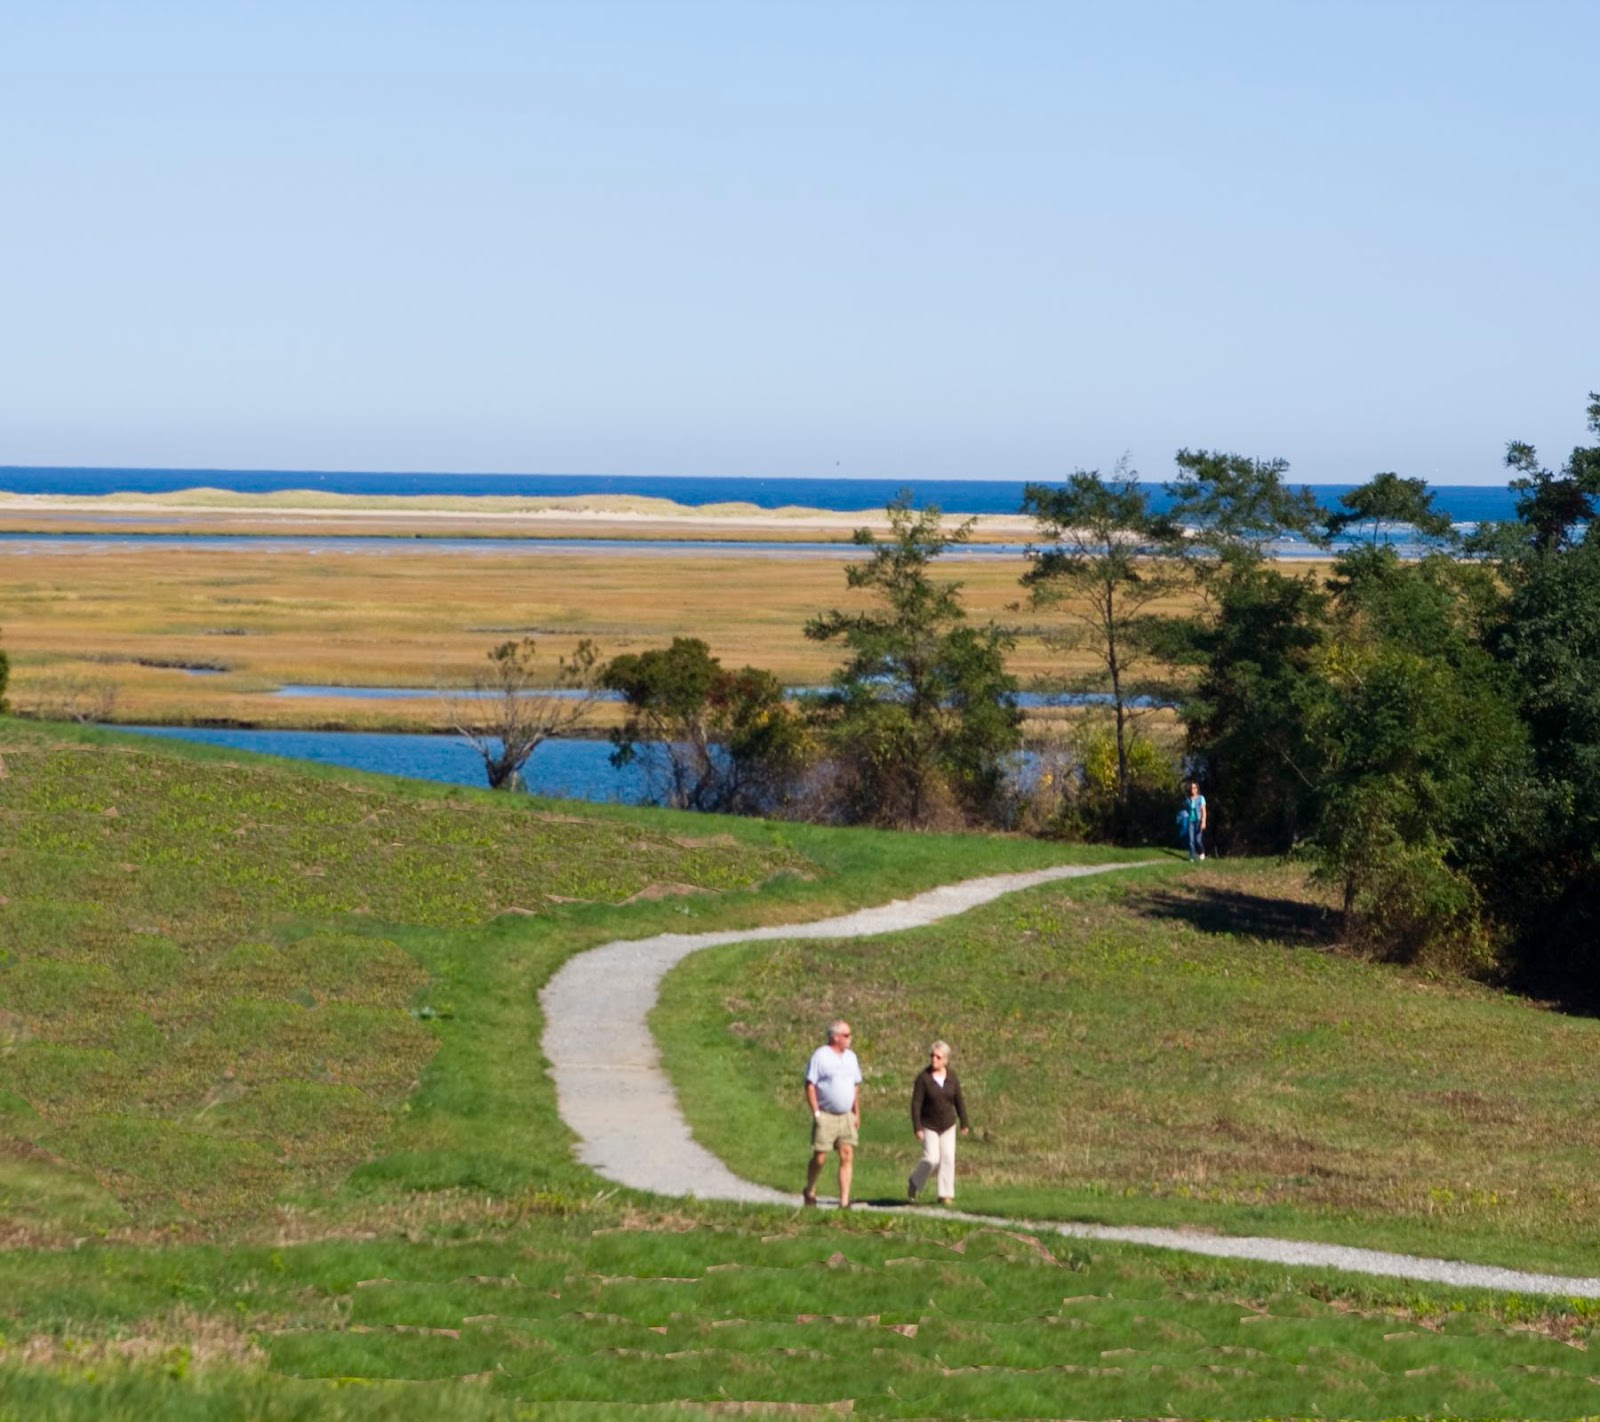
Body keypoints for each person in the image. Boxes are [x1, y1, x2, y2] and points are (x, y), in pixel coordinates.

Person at [803, 1019, 862, 1208]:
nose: (849, 1039)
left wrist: (856, 1113)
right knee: (821, 1156)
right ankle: (810, 1189)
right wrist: (816, 1113)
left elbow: (855, 1086)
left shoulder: (851, 1057)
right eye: (846, 1035)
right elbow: (810, 1084)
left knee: (847, 1154)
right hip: (826, 1115)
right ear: (835, 1037)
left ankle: (844, 1200)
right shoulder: (820, 1056)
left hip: (846, 1116)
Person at [907, 1039, 969, 1204]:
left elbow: (959, 1100)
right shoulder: (923, 1078)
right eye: (932, 1056)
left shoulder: (952, 1077)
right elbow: (916, 1104)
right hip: (929, 1125)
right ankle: (915, 1181)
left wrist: (964, 1122)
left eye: (938, 1057)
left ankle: (945, 1195)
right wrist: (917, 1127)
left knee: (948, 1157)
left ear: (946, 1060)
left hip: (948, 1124)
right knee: (932, 1159)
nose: (934, 1059)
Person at [1183, 780, 1207, 861]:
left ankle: (1202, 852)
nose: (1193, 789)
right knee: (1191, 840)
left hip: (1199, 821)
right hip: (1191, 821)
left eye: (1194, 788)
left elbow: (1204, 810)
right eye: (1191, 788)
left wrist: (1203, 821)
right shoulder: (1187, 800)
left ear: (1197, 789)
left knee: (1198, 840)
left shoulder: (1201, 798)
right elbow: (1186, 810)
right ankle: (1192, 856)